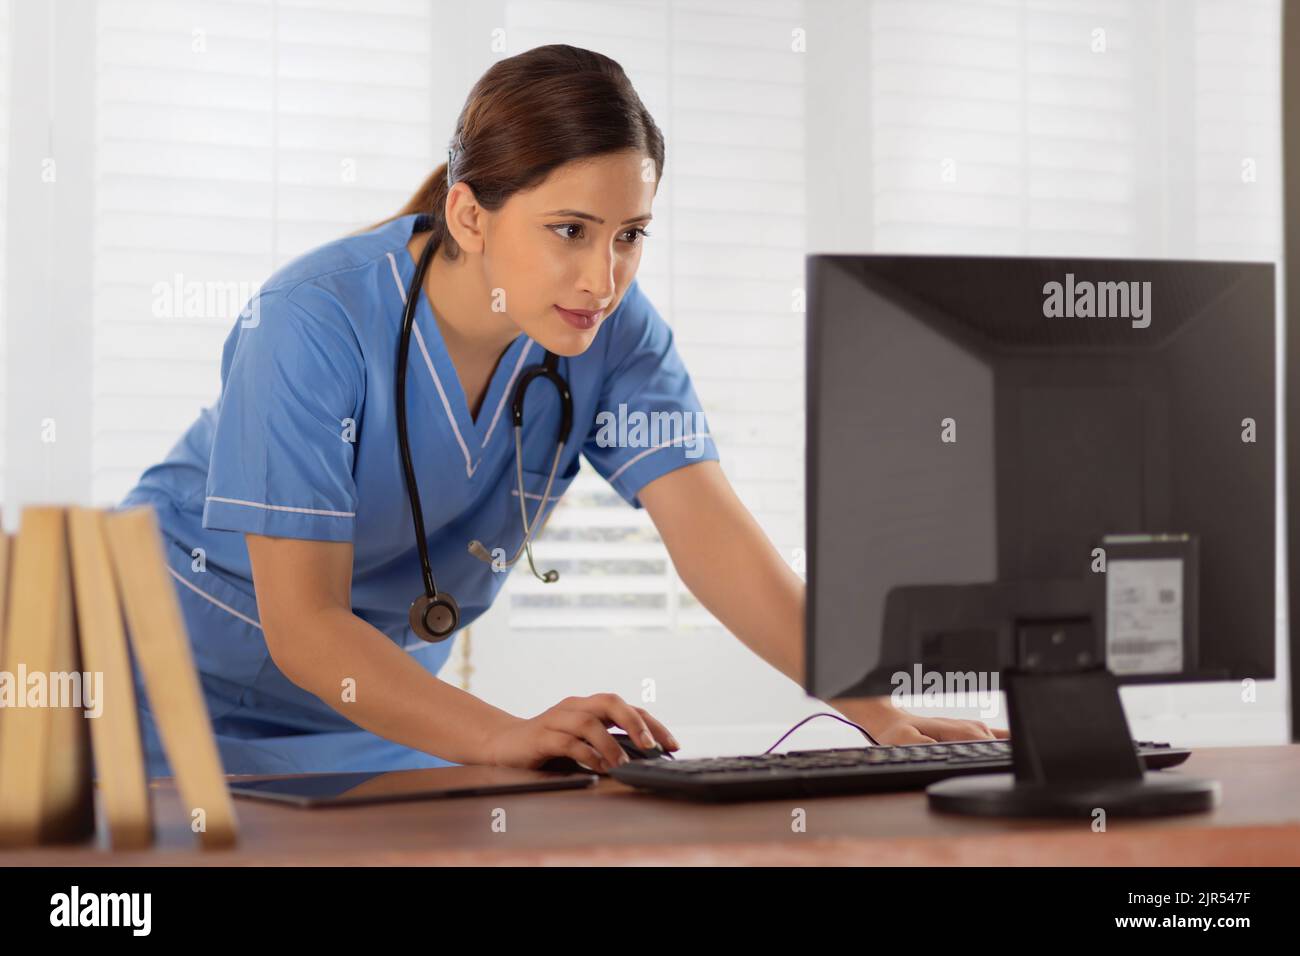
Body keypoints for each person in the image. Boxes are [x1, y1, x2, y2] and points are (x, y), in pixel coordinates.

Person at [119, 43, 1005, 779]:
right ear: (469, 215)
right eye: (570, 230)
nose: (604, 277)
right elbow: (307, 627)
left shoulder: (614, 336)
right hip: (153, 694)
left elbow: (715, 538)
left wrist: (877, 714)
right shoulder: (312, 319)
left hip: (373, 720)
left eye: (631, 236)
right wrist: (502, 734)